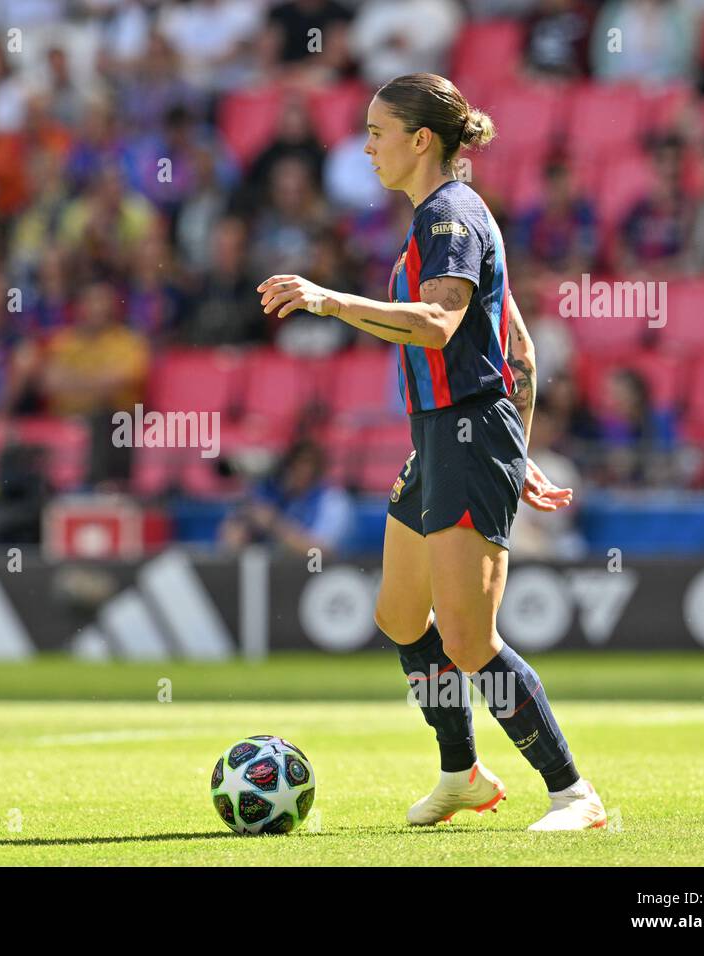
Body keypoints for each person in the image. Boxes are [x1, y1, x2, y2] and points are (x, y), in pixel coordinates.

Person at [256, 73, 606, 830]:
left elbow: (442, 324)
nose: (366, 144)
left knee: (470, 639)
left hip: (467, 431)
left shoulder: (450, 215)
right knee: (401, 615)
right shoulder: (445, 217)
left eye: (378, 130)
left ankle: (574, 792)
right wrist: (522, 444)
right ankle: (462, 772)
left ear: (422, 140)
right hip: (451, 436)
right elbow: (517, 344)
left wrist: (328, 300)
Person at [219, 439, 354, 556]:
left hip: (315, 573)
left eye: (307, 465)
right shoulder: (276, 494)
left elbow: (321, 553)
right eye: (295, 465)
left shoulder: (332, 501)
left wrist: (274, 525)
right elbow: (231, 539)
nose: (301, 472)